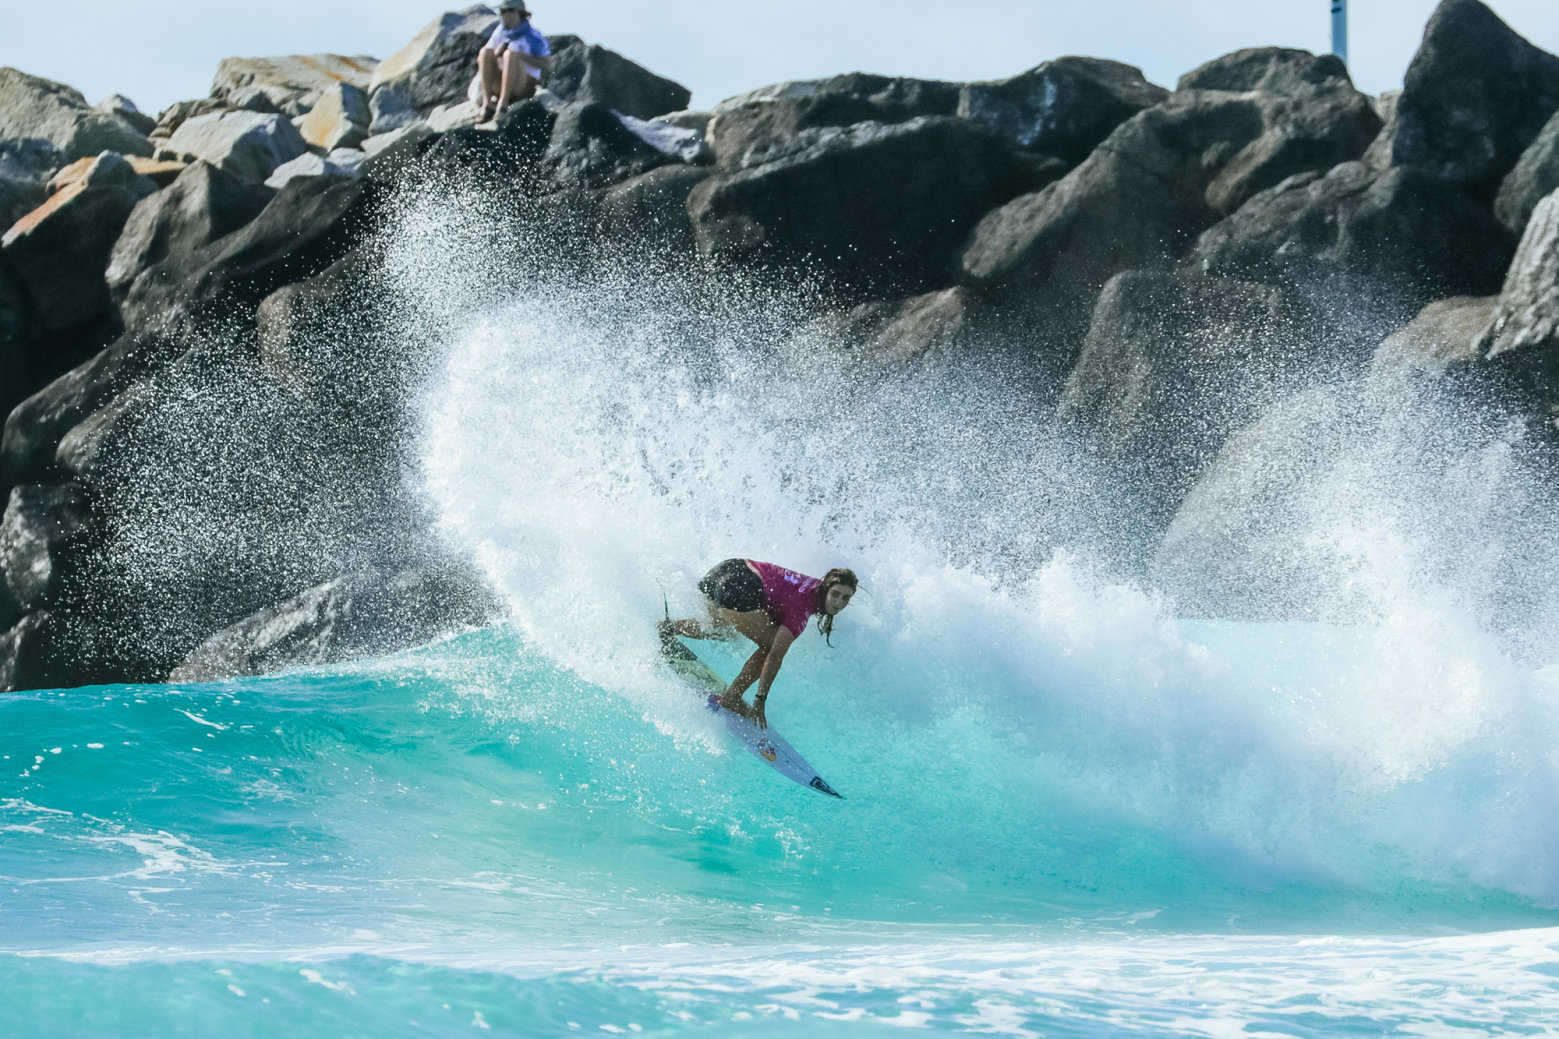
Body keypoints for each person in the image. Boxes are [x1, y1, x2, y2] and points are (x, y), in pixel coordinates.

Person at [661, 559, 859, 730]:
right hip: (739, 585)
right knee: (770, 644)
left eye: (845, 598)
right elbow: (775, 655)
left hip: (724, 571)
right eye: (835, 594)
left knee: (721, 629)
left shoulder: (811, 587)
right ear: (825, 589)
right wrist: (760, 699)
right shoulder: (802, 608)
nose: (839, 602)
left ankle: (665, 628)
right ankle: (732, 698)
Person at [476, 0, 552, 122]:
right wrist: (497, 53)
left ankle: (503, 105)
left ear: (516, 12)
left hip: (523, 86)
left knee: (511, 55)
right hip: (501, 81)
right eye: (501, 11)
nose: (502, 15)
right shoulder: (500, 32)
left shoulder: (533, 36)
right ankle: (487, 104)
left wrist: (521, 56)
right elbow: (486, 56)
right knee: (485, 52)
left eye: (505, 11)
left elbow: (547, 66)